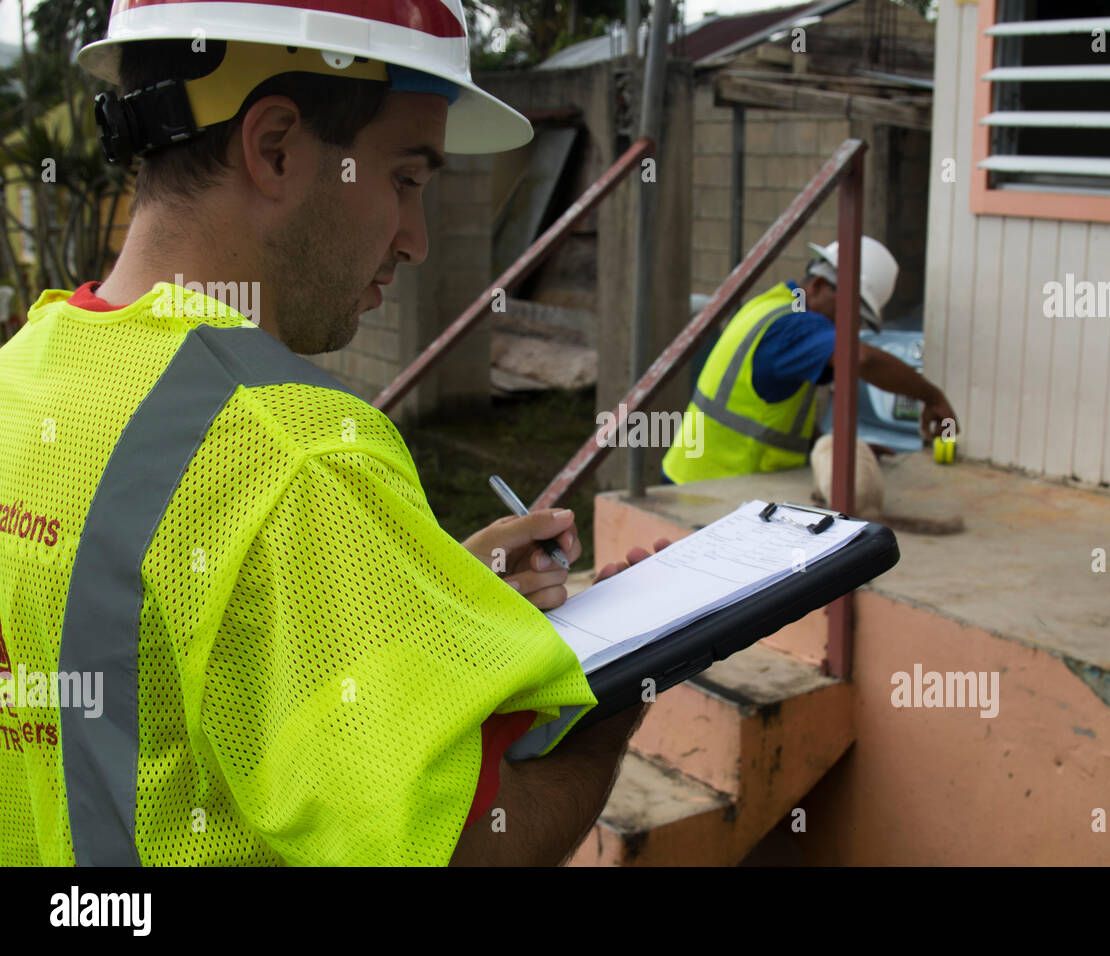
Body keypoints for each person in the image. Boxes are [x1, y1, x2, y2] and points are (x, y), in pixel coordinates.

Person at [0, 0, 663, 867]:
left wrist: (397, 591)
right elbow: (472, 850)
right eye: (407, 180)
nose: (417, 240)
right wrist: (613, 714)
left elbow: (156, 662)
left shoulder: (28, 370)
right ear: (275, 147)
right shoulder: (294, 446)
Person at [661, 237, 960, 484]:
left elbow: (773, 425)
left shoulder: (769, 306)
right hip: (717, 492)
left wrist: (837, 450)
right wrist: (932, 397)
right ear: (818, 286)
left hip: (697, 483)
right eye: (852, 314)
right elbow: (861, 359)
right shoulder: (794, 326)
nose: (852, 328)